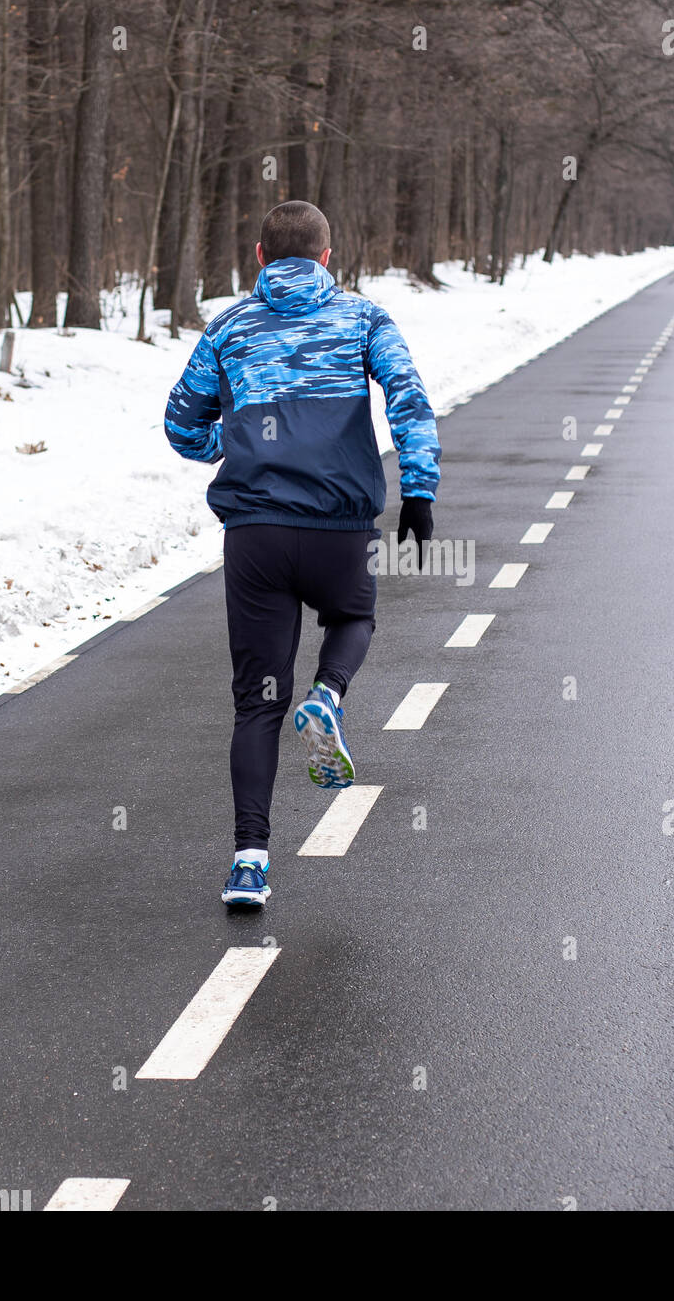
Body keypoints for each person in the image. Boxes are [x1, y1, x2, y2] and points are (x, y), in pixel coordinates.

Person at [164, 200, 441, 908]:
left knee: (255, 703)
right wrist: (418, 489)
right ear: (327, 256)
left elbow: (180, 422)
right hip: (337, 527)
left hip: (255, 534)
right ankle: (329, 694)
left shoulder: (228, 326)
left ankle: (249, 863)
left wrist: (235, 443)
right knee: (354, 616)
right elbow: (407, 395)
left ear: (259, 256)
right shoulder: (364, 319)